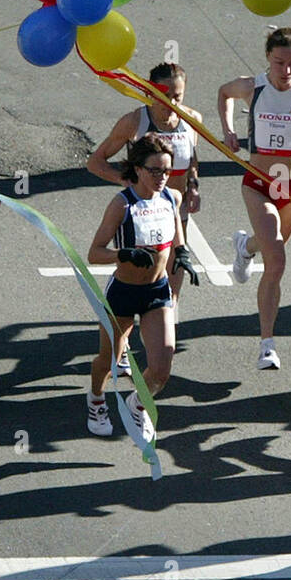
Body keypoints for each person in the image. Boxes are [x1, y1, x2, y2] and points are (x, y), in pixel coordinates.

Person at [219, 28, 291, 370]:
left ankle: (246, 247)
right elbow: (223, 93)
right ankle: (266, 345)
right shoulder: (252, 87)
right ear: (268, 58)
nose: (286, 71)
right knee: (278, 260)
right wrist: (228, 129)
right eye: (279, 63)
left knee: (274, 244)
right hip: (259, 182)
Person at [88, 60, 202, 368]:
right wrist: (127, 181)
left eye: (177, 96)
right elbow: (95, 162)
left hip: (173, 216)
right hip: (138, 218)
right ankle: (121, 346)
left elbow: (192, 161)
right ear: (150, 92)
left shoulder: (192, 121)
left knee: (169, 292)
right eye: (164, 96)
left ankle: (155, 353)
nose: (171, 104)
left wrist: (193, 187)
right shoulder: (133, 122)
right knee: (134, 280)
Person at [85, 135, 198, 441]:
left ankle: (138, 405)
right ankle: (96, 399)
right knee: (109, 359)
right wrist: (121, 254)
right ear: (137, 169)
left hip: (157, 292)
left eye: (166, 171)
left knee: (161, 368)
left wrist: (183, 254)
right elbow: (94, 253)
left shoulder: (171, 197)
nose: (162, 178)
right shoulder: (121, 204)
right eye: (155, 171)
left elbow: (176, 232)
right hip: (123, 292)